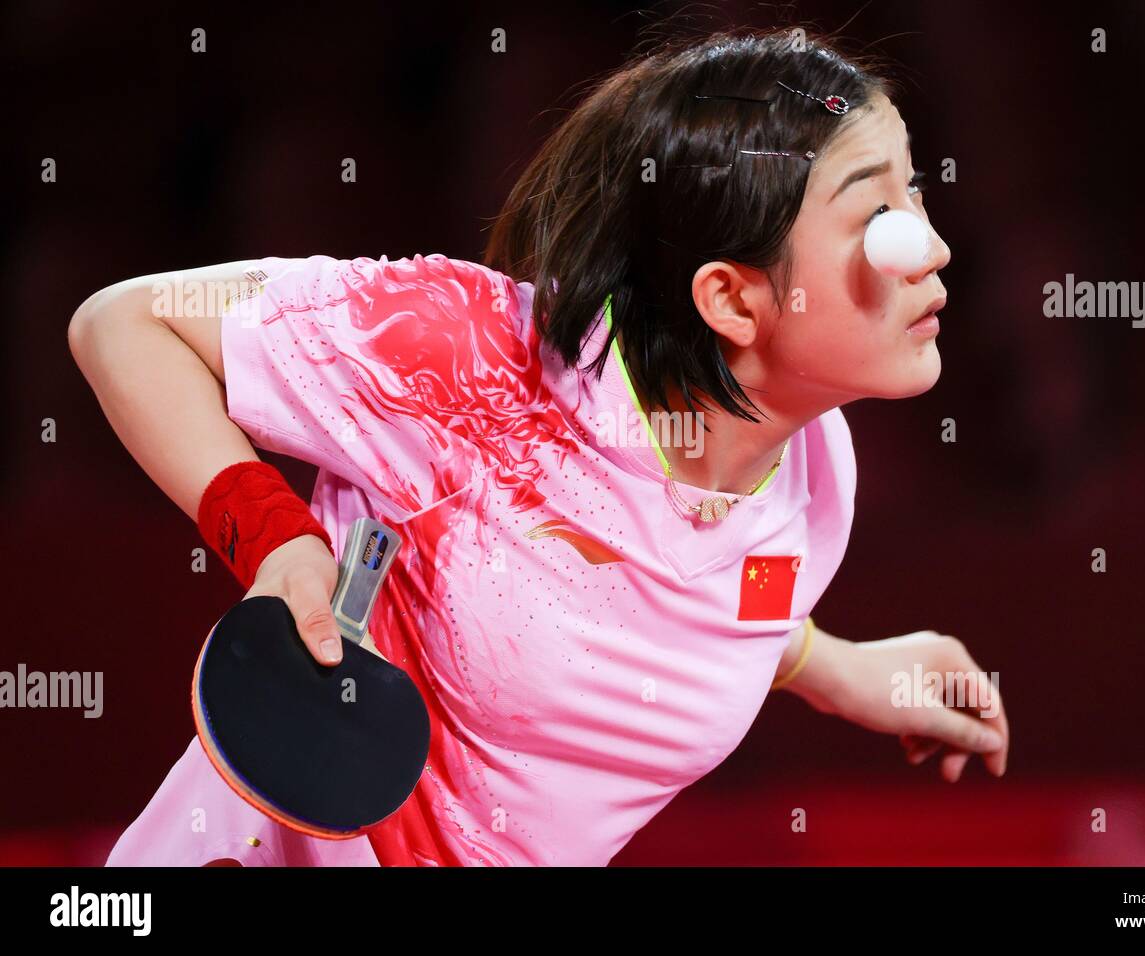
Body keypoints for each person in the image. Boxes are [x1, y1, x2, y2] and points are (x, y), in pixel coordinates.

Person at [70, 26, 1008, 867]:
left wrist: (838, 670)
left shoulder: (812, 476)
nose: (930, 246)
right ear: (732, 299)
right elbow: (124, 325)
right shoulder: (469, 365)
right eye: (876, 217)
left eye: (914, 189)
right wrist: (276, 539)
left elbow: (706, 587)